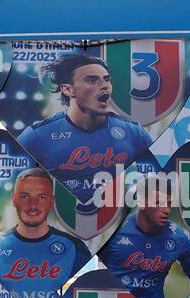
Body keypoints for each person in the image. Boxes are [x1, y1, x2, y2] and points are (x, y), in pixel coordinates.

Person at [16, 52, 155, 209]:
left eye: (107, 79)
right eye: (92, 80)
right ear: (68, 90)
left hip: (117, 226)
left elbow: (156, 184)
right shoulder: (37, 136)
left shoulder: (134, 133)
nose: (104, 86)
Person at [0, 167, 89, 298]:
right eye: (24, 196)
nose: (33, 205)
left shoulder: (74, 248)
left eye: (41, 197)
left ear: (52, 201)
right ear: (14, 200)